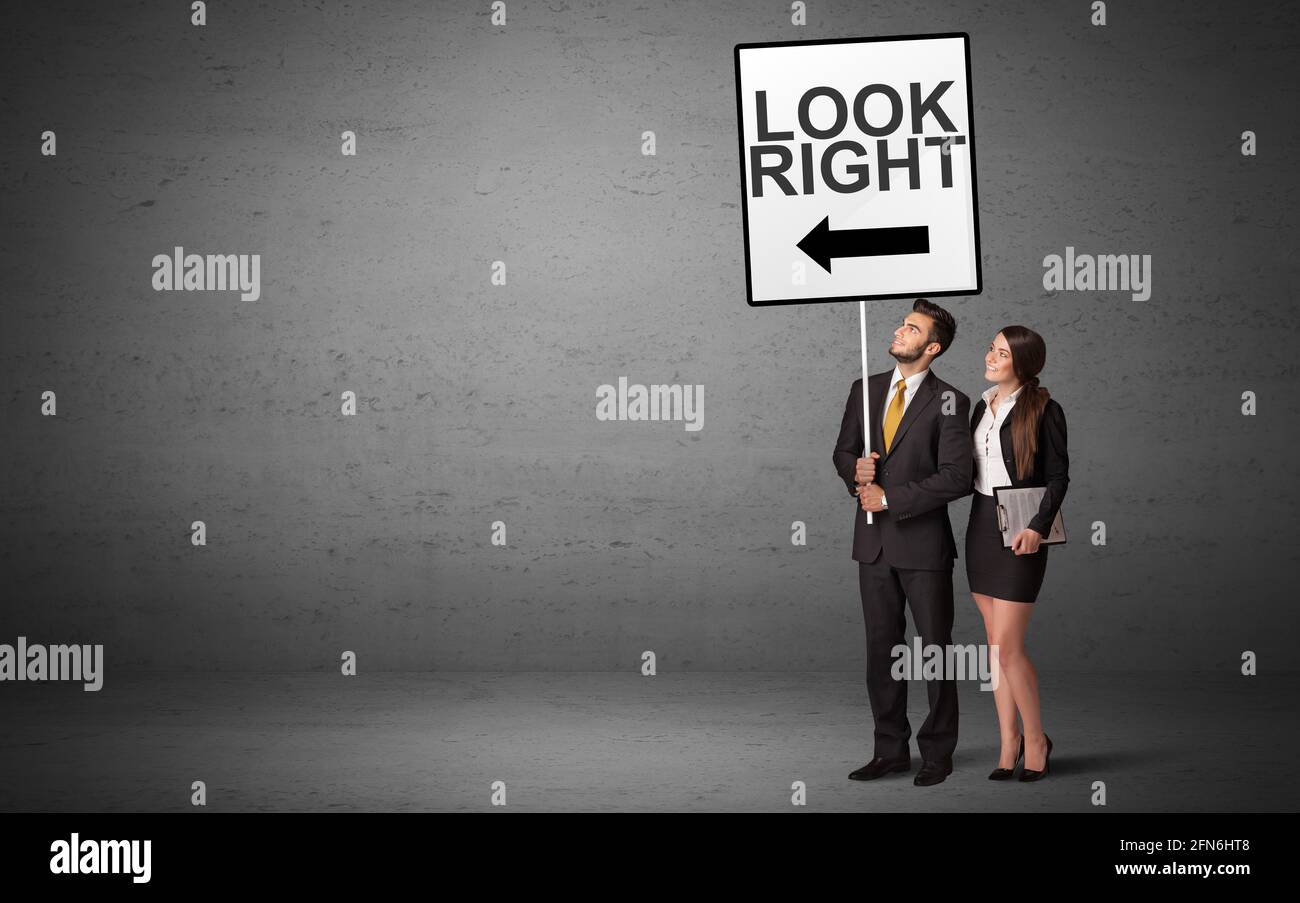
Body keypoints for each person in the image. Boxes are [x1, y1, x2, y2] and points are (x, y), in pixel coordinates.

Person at [832, 299, 974, 787]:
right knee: (881, 651)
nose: (899, 330)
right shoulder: (864, 390)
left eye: (911, 328)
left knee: (934, 650)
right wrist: (855, 471)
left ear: (931, 347)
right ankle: (889, 751)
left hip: (923, 548)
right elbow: (843, 450)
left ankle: (938, 753)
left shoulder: (952, 400)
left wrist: (890, 497)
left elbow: (957, 477)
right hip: (871, 547)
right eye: (901, 324)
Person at [966, 325, 1068, 782]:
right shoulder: (979, 405)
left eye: (1002, 353)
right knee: (994, 648)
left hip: (1023, 525)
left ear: (1022, 363)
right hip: (980, 523)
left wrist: (1037, 528)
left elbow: (1059, 476)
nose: (991, 357)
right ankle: (1007, 743)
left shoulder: (1045, 408)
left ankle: (1036, 738)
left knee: (1009, 649)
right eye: (991, 348)